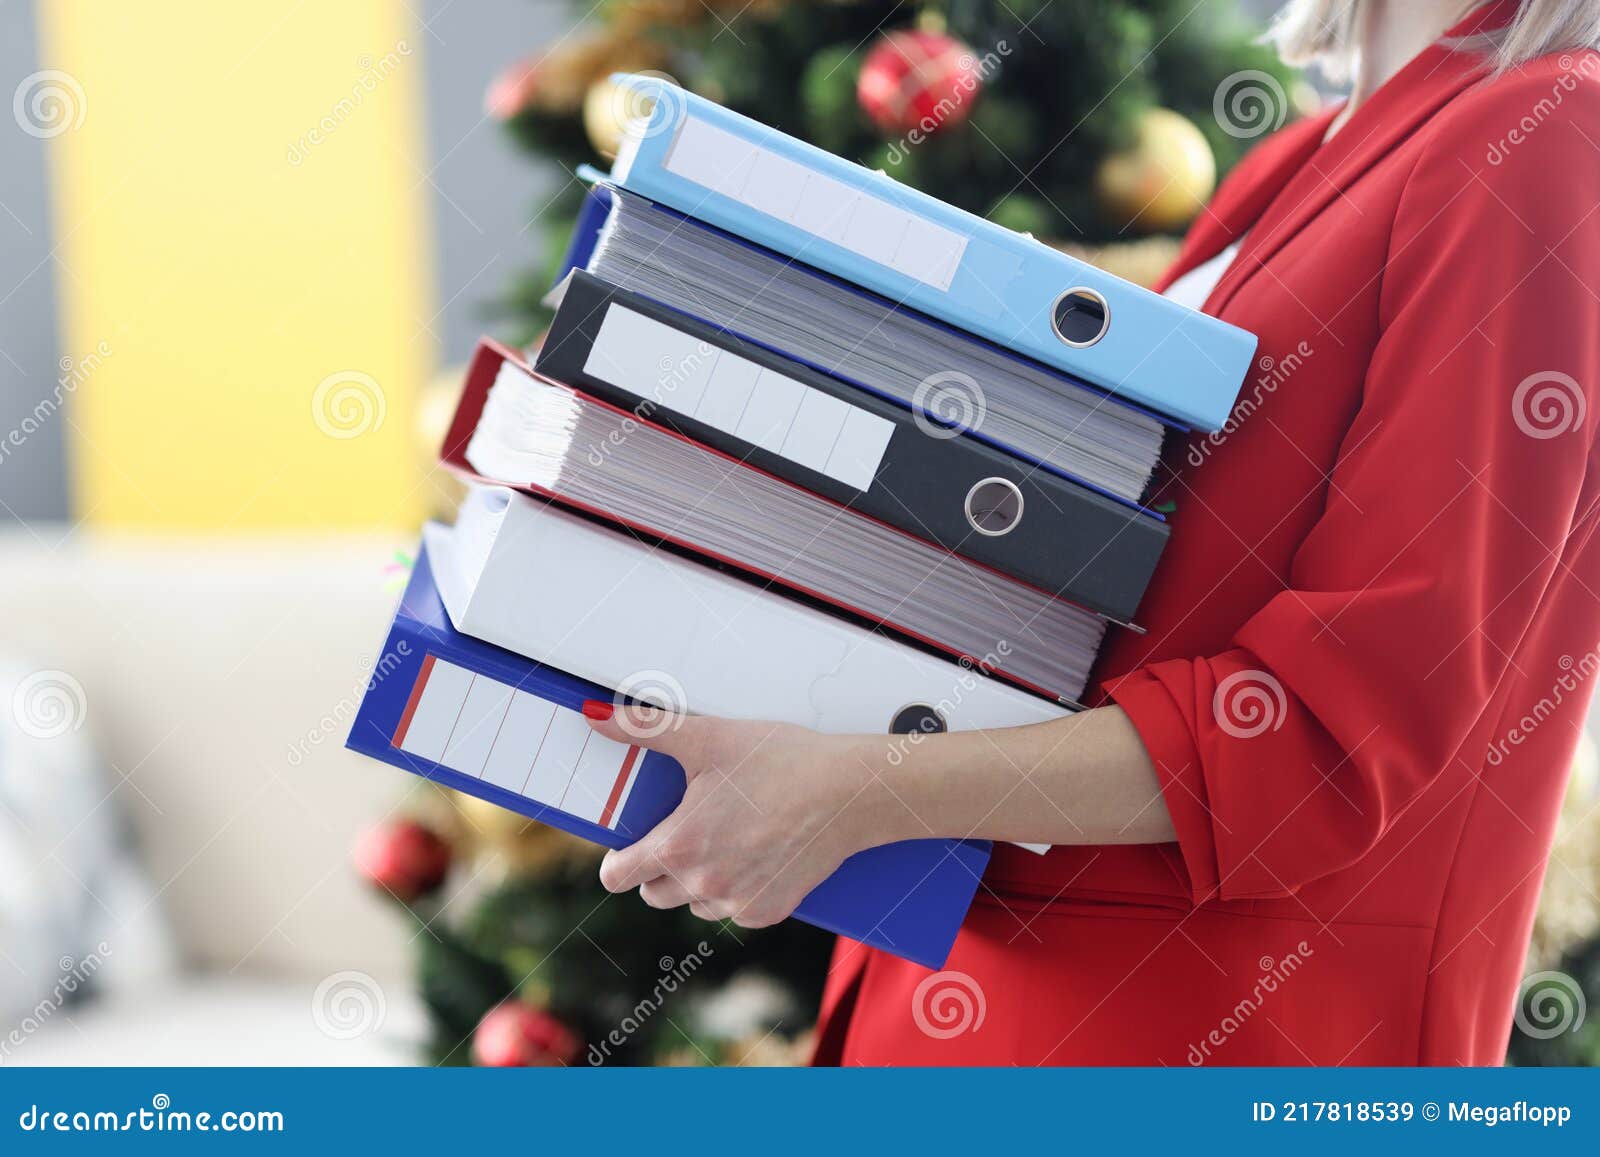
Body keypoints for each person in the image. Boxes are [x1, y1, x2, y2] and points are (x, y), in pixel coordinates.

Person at [582, 0, 1600, 1065]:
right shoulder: (1314, 145)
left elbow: (1336, 730)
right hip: (996, 997)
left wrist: (855, 789)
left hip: (1202, 1033)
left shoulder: (1545, 134)